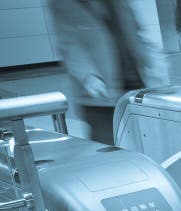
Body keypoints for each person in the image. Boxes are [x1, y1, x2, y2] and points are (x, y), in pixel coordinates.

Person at [49, 0, 167, 145]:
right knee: (109, 145)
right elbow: (69, 42)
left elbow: (134, 30)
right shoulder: (65, 3)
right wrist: (88, 76)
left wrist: (151, 59)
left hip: (135, 84)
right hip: (100, 93)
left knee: (146, 141)